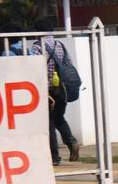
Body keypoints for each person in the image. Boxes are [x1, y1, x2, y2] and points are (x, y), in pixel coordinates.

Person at [27, 30, 81, 166]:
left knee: (49, 122)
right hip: (62, 89)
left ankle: (54, 157)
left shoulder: (37, 47)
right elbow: (69, 64)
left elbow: (36, 70)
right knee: (59, 118)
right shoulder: (60, 45)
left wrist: (44, 91)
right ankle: (71, 142)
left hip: (48, 90)